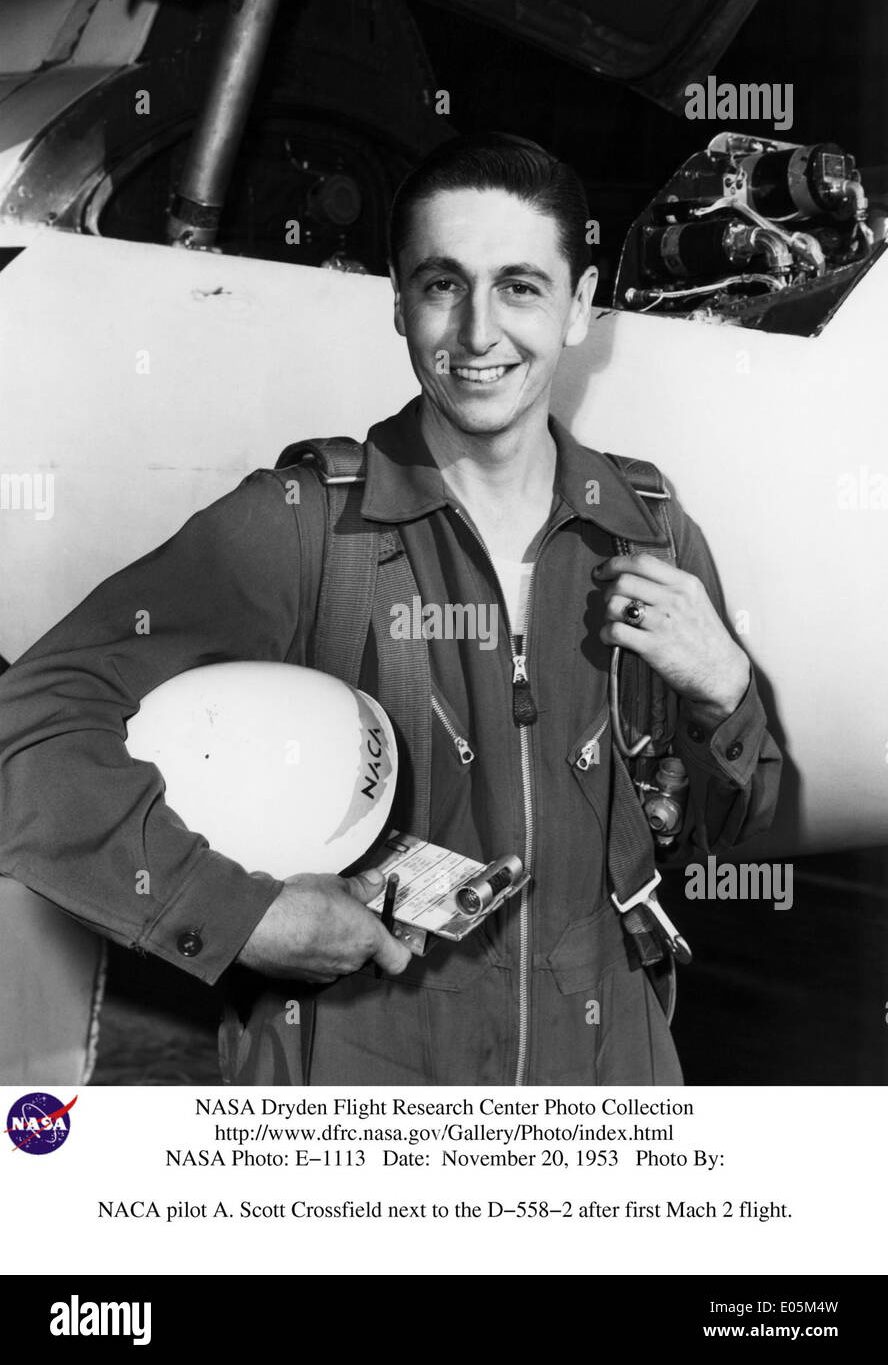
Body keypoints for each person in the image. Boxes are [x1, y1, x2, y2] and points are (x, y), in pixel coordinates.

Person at [0, 132, 782, 1085]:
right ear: (400, 300)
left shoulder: (649, 532)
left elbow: (729, 825)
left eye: (522, 287)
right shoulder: (299, 527)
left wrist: (726, 695)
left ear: (581, 306)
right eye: (444, 285)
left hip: (608, 1083)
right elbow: (30, 726)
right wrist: (241, 914)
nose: (480, 333)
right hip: (358, 1092)